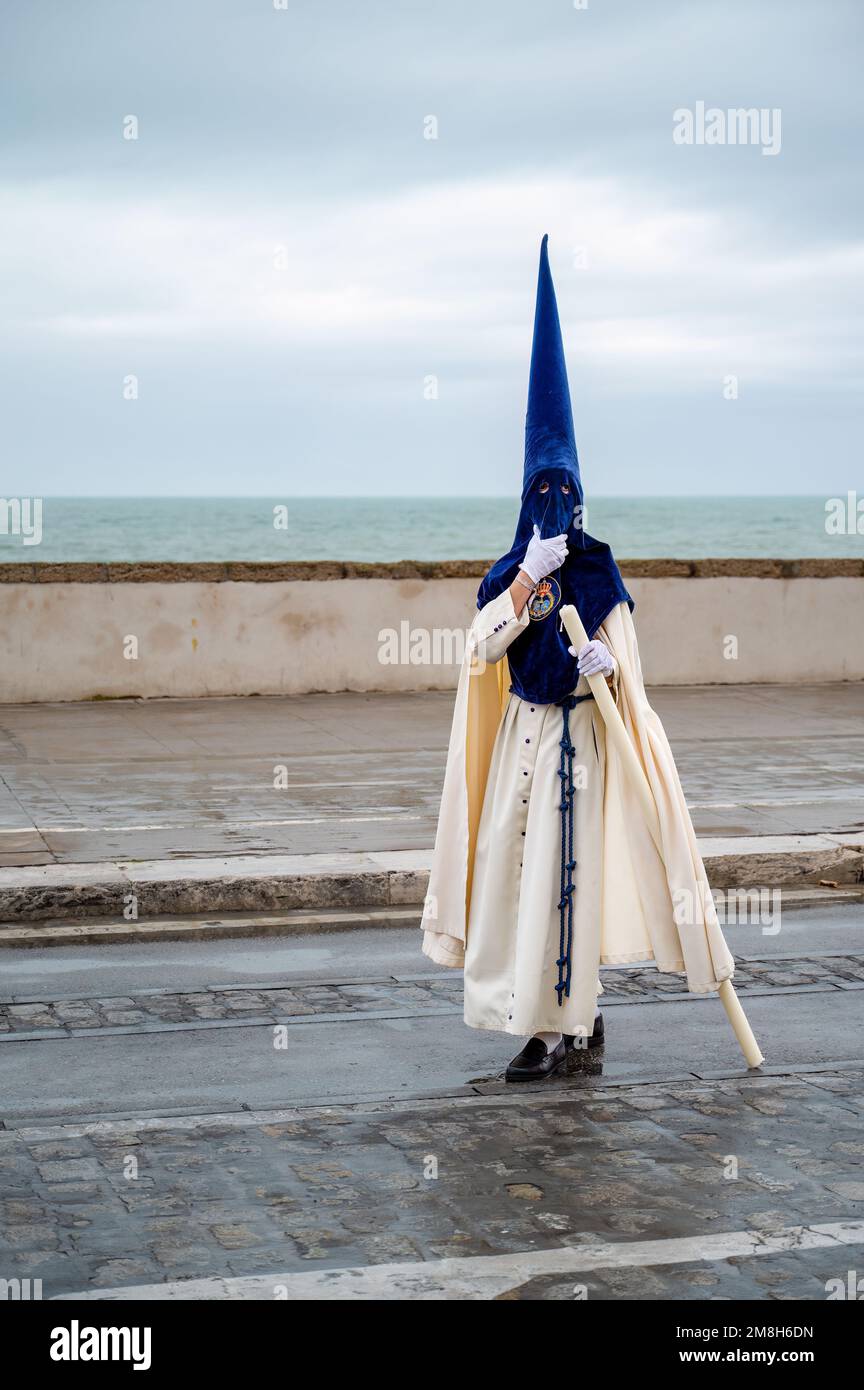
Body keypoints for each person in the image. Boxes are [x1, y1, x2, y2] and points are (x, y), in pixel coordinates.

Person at [421, 235, 734, 1081]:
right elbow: (478, 650)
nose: (552, 507)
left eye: (563, 497)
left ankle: (568, 1025)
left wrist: (602, 663)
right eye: (540, 497)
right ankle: (539, 1018)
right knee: (517, 886)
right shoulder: (512, 572)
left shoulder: (599, 573)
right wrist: (525, 586)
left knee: (575, 884)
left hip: (585, 749)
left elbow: (629, 677)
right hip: (523, 740)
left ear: (581, 498)